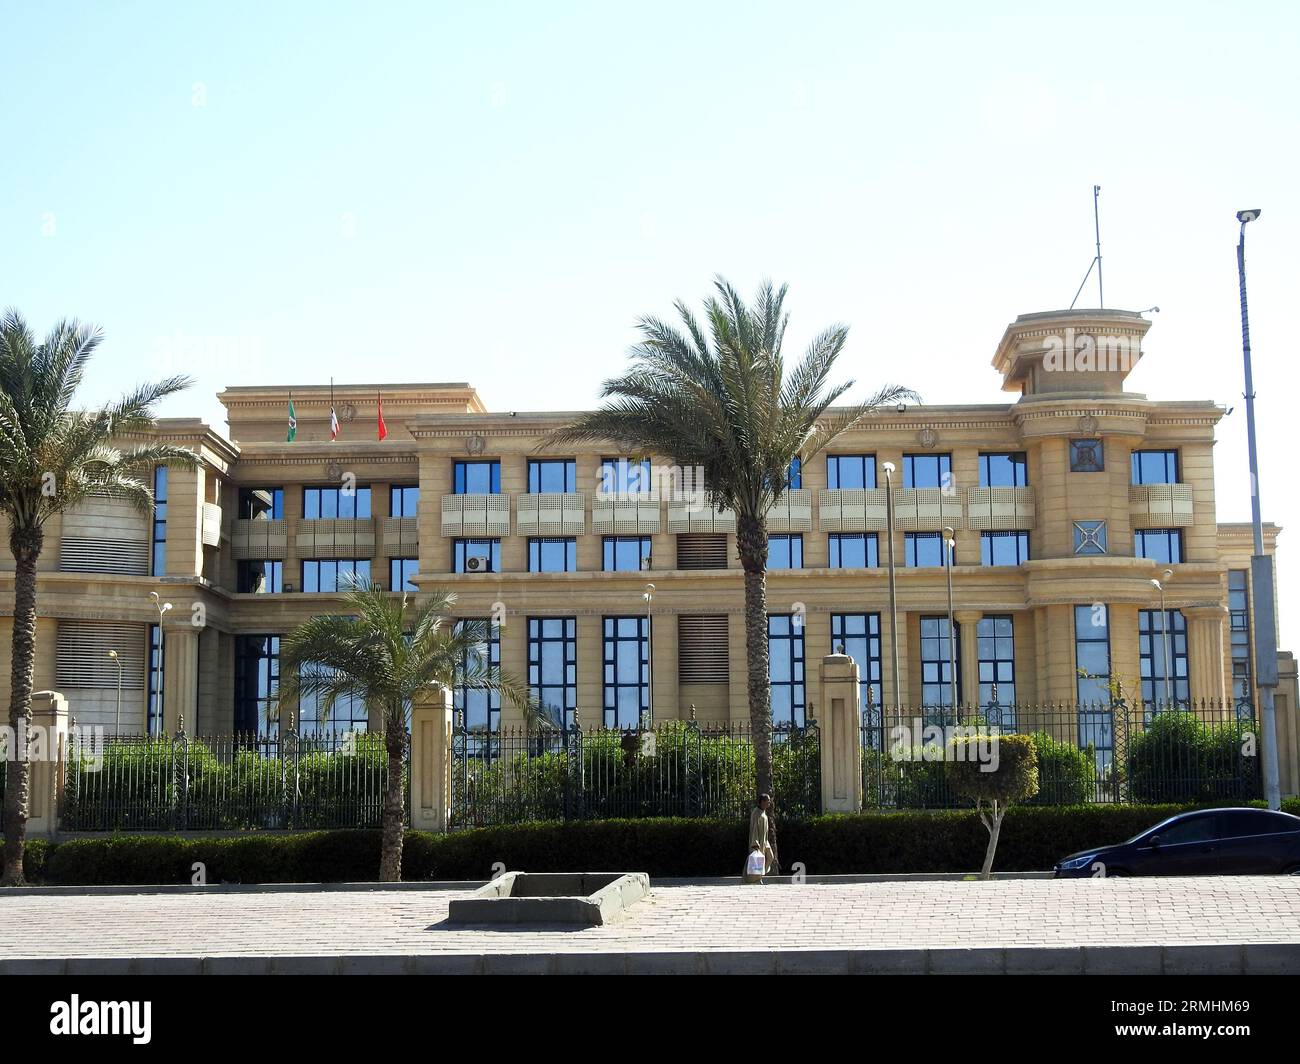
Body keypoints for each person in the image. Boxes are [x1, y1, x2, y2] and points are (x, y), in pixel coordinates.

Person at [744, 794, 776, 883]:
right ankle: (758, 879)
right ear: (762, 802)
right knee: (758, 861)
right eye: (767, 801)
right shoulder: (756, 813)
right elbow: (754, 828)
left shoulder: (763, 812)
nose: (769, 803)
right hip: (758, 841)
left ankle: (760, 875)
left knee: (770, 857)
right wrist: (755, 842)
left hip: (765, 841)